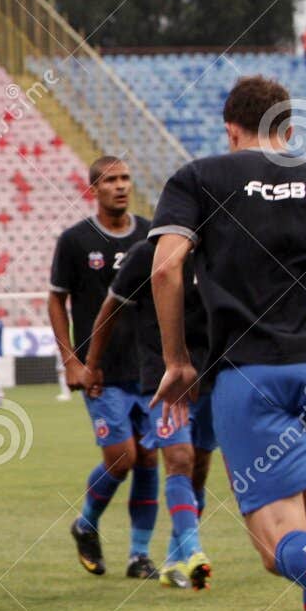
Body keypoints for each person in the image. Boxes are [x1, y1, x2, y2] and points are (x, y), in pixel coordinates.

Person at [151, 74, 306, 611]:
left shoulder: (201, 175)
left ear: (230, 127)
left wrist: (180, 358)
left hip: (253, 373)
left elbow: (165, 266)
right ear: (288, 131)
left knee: (276, 549)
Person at [48, 156, 159, 579]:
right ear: (93, 188)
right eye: (110, 180)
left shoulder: (151, 235)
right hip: (101, 373)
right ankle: (87, 522)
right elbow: (56, 299)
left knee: (149, 458)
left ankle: (139, 555)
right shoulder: (75, 241)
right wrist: (71, 360)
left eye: (126, 178)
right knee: (121, 456)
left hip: (148, 368)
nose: (120, 186)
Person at [85, 239, 215, 591]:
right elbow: (110, 308)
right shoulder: (147, 255)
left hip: (212, 376)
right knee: (178, 458)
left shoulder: (221, 249)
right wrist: (91, 364)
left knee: (199, 468)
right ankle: (194, 551)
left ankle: (174, 560)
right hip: (164, 375)